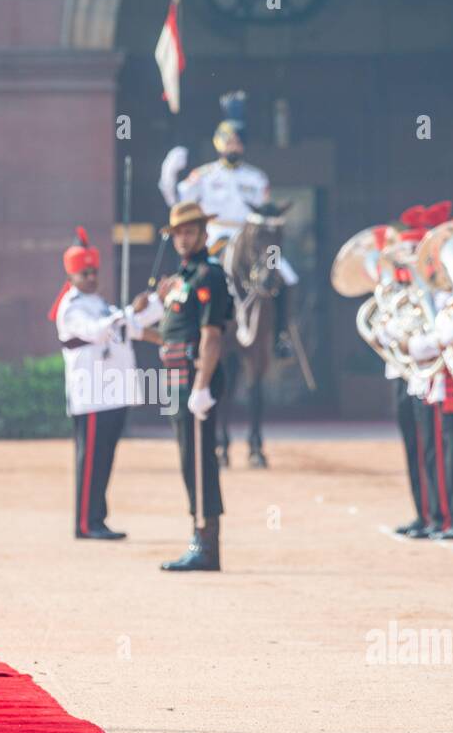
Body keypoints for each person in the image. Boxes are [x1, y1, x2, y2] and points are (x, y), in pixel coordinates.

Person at [159, 91, 297, 358]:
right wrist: (169, 173)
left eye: (237, 142)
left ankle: (282, 335)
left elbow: (265, 210)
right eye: (228, 141)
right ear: (218, 143)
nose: (233, 146)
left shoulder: (257, 178)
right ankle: (189, 329)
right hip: (216, 233)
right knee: (197, 273)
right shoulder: (205, 175)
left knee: (286, 274)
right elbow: (177, 201)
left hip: (252, 236)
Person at [51, 228, 163, 539]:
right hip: (90, 395)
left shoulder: (101, 303)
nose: (90, 277)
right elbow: (98, 331)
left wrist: (158, 301)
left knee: (104, 461)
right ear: (72, 275)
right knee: (90, 462)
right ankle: (85, 524)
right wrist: (131, 311)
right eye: (84, 272)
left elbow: (132, 326)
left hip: (114, 393)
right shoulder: (71, 307)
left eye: (93, 271)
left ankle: (98, 519)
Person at [147, 201, 234, 571]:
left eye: (188, 231)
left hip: (195, 378)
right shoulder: (179, 279)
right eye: (177, 233)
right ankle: (197, 536)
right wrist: (140, 325)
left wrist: (202, 385)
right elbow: (171, 334)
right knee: (187, 459)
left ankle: (207, 543)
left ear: (202, 232)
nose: (182, 238)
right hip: (172, 378)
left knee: (199, 460)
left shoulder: (209, 275)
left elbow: (211, 335)